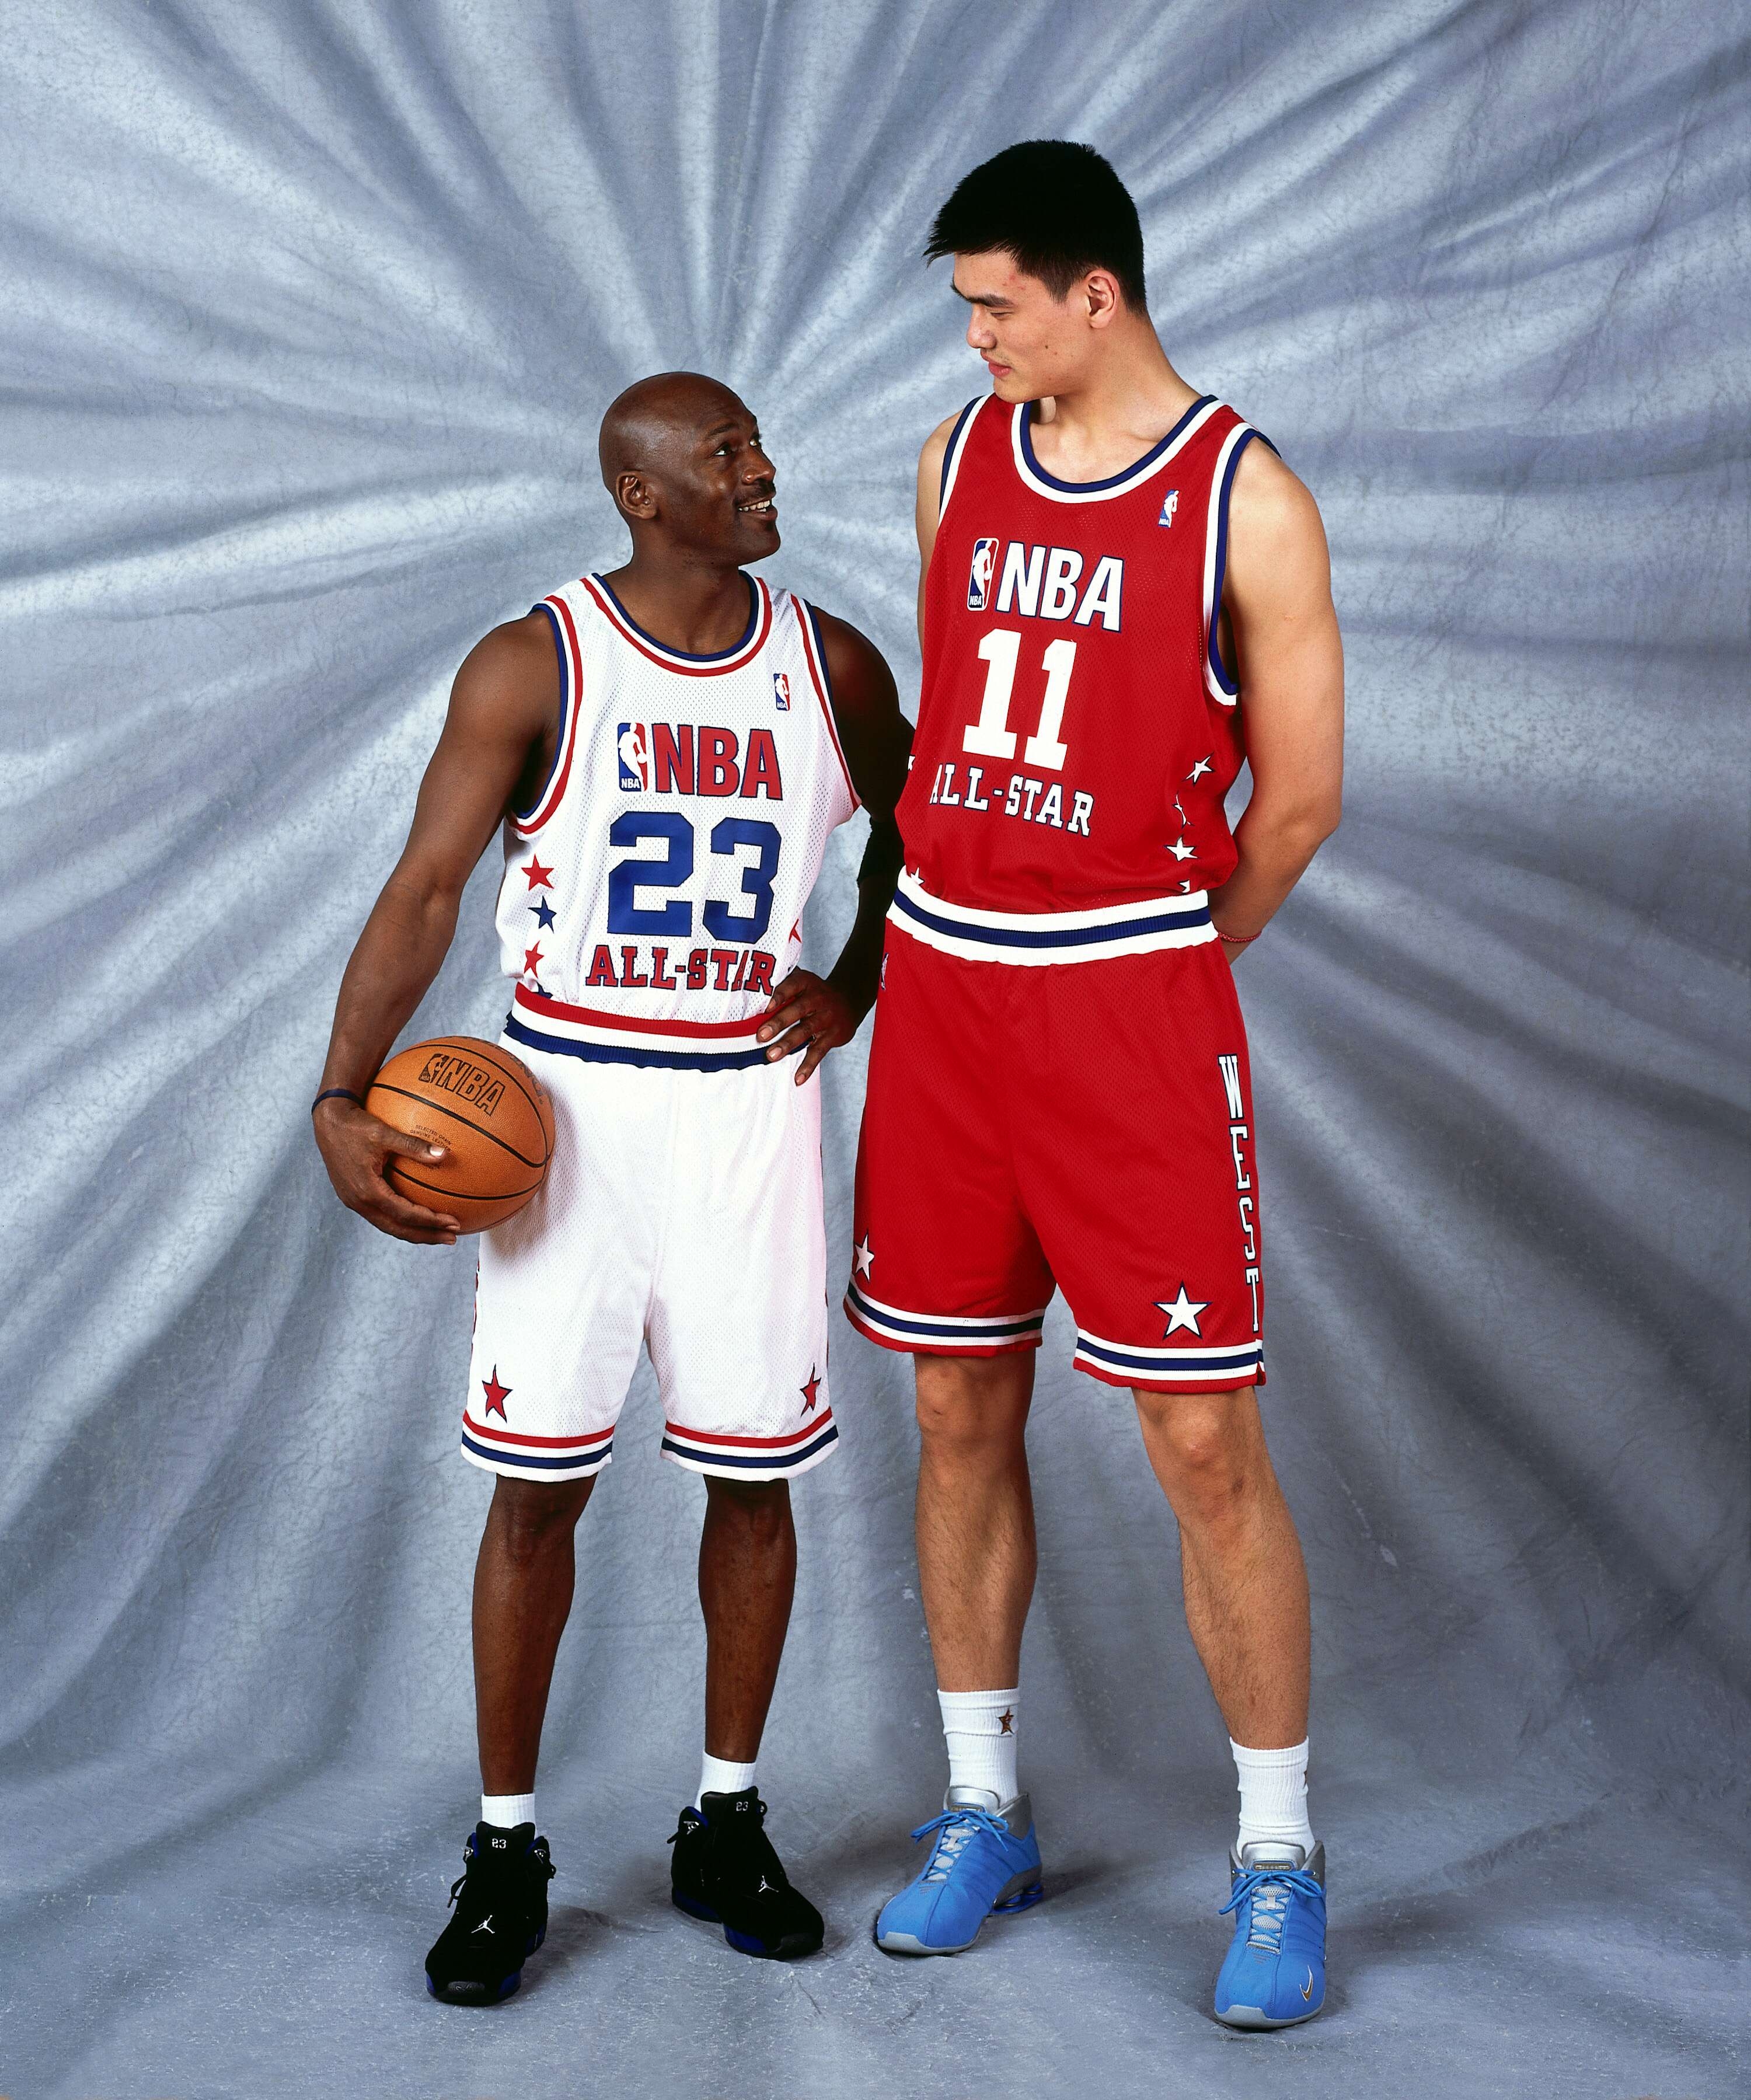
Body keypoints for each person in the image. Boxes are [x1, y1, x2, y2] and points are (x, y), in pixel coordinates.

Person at [312, 372, 910, 2001]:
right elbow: (431, 885)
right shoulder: (539, 660)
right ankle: (506, 1846)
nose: (764, 472)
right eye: (729, 456)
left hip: (743, 1114)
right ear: (644, 495)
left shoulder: (829, 661)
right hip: (566, 1117)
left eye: (757, 445)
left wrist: (850, 986)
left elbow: (921, 831)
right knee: (537, 1488)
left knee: (754, 1479)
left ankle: (726, 1819)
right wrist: (338, 1089)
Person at [847, 142, 1344, 2029]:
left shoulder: (1245, 498)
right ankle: (987, 1810)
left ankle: (1280, 1855)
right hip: (952, 998)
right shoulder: (956, 459)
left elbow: (1294, 800)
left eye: (994, 305)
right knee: (958, 1407)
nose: (972, 337)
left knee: (1204, 1444)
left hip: (1124, 1008)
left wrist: (1152, 963)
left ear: (1096, 296)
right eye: (966, 309)